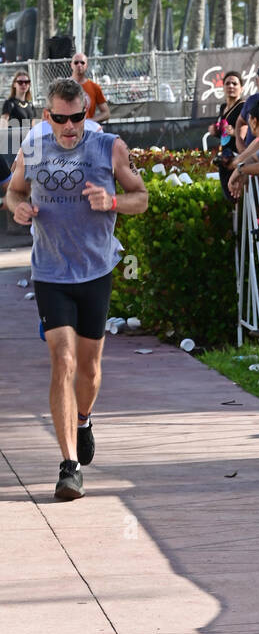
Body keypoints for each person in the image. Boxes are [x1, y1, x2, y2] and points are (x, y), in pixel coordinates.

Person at [3, 77, 148, 499]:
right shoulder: (33, 147)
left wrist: (113, 201)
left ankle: (84, 418)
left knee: (89, 367)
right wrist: (20, 208)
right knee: (62, 360)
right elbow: (12, 193)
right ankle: (68, 466)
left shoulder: (109, 147)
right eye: (60, 119)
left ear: (86, 113)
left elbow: (142, 196)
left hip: (96, 271)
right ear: (47, 116)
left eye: (77, 117)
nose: (69, 127)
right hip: (50, 272)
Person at [210, 70, 245, 201]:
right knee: (229, 194)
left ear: (241, 88)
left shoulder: (243, 107)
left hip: (236, 157)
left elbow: (243, 134)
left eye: (235, 84)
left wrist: (234, 132)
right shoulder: (223, 107)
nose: (231, 86)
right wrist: (215, 130)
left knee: (235, 195)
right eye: (228, 83)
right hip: (224, 154)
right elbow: (223, 131)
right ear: (223, 87)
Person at [71, 53, 110, 123]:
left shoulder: (95, 87)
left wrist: (89, 122)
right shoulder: (62, 86)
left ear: (87, 66)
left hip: (87, 130)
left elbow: (106, 113)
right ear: (71, 65)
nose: (79, 65)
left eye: (82, 63)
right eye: (76, 62)